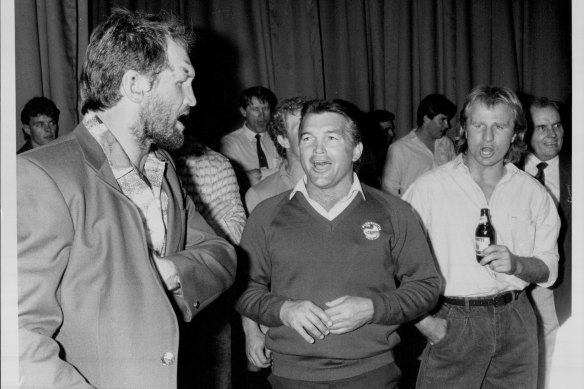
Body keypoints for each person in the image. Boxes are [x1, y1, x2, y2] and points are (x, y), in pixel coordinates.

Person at [17, 9, 237, 388]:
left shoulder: (162, 169)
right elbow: (17, 338)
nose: (193, 99)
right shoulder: (40, 175)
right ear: (135, 84)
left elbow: (222, 254)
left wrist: (168, 271)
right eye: (182, 81)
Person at [236, 99, 441, 388]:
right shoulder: (266, 214)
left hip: (374, 374)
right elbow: (244, 289)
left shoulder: (395, 212)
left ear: (356, 150)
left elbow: (426, 286)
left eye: (331, 138)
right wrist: (283, 309)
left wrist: (373, 307)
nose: (317, 149)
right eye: (307, 138)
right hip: (291, 377)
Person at [403, 85, 560, 388]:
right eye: (479, 125)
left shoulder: (534, 193)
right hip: (454, 319)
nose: (487, 138)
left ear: (516, 133)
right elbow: (393, 262)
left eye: (499, 126)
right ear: (463, 128)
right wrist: (426, 323)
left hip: (517, 320)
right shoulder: (428, 188)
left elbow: (548, 269)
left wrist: (517, 264)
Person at [174, 136, 247, 389]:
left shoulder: (214, 164)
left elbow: (236, 227)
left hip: (206, 301)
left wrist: (189, 241)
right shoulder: (131, 164)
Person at [522, 97, 571, 389]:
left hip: (564, 287)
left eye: (557, 125)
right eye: (542, 127)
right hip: (517, 284)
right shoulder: (507, 169)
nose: (552, 134)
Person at [382, 94, 456, 196]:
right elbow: (389, 191)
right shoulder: (399, 149)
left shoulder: (447, 143)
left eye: (447, 120)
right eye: (442, 120)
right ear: (426, 118)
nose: (447, 125)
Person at [244, 96, 309, 213]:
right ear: (284, 140)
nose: (312, 135)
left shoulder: (340, 182)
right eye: (301, 129)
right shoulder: (261, 196)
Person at [221, 86, 282, 190]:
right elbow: (233, 181)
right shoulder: (230, 143)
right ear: (243, 112)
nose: (262, 115)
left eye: (265, 108)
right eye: (255, 109)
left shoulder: (279, 138)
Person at [358, 109, 396, 189]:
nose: (392, 134)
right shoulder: (366, 155)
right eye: (386, 130)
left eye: (391, 129)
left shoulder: (385, 152)